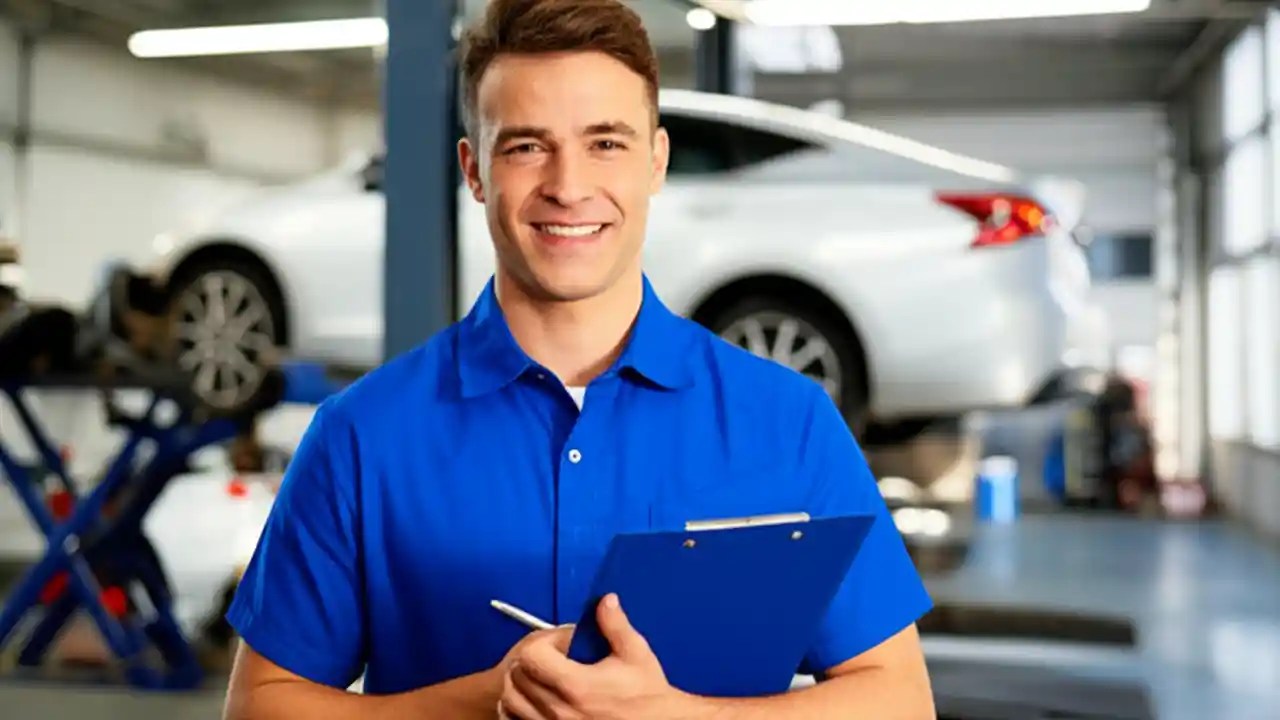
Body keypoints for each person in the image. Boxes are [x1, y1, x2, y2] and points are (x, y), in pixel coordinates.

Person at [221, 0, 936, 717]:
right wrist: (482, 703)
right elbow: (260, 707)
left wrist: (677, 717)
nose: (568, 185)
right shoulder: (361, 436)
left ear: (655, 161)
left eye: (606, 144)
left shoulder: (790, 424)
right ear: (474, 170)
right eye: (527, 146)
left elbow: (899, 700)